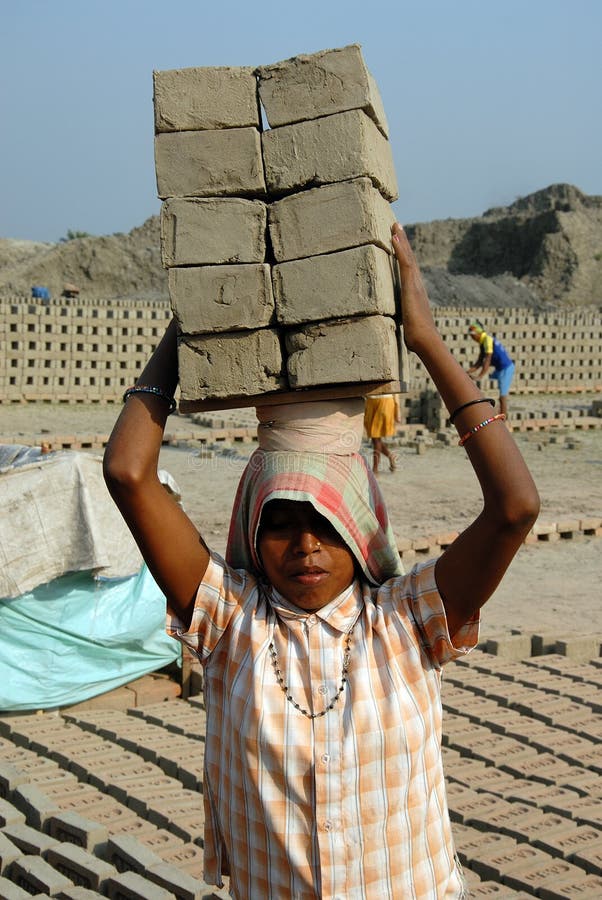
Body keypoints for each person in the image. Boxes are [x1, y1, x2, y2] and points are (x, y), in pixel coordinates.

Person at [103, 223, 539, 899]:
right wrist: (187, 332)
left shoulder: (407, 623)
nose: (305, 545)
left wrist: (423, 339)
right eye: (280, 523)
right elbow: (129, 473)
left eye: (328, 523)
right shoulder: (230, 624)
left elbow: (514, 508)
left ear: (361, 528)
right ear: (251, 528)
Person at [466, 321, 515, 419]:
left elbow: (487, 360)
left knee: (502, 396)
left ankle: (503, 419)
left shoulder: (488, 340)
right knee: (491, 388)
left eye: (473, 336)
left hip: (505, 368)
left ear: (478, 334)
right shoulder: (483, 342)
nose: (472, 338)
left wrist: (480, 376)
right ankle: (492, 415)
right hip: (499, 369)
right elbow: (479, 361)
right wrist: (466, 372)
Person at [363, 392, 401, 473]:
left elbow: (395, 387)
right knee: (375, 438)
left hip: (384, 401)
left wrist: (398, 409)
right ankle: (391, 456)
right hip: (370, 401)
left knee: (376, 438)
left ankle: (375, 468)